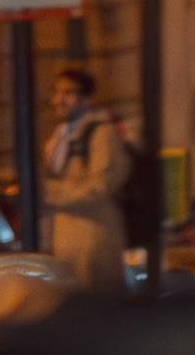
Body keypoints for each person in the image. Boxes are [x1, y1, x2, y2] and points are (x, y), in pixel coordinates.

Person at [40, 64, 134, 293]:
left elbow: (101, 184)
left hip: (92, 241)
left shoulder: (101, 134)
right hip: (63, 242)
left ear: (85, 99)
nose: (59, 100)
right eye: (57, 92)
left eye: (68, 93)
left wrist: (51, 194)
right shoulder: (57, 138)